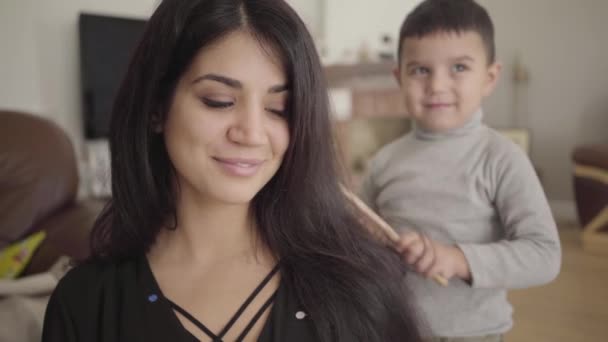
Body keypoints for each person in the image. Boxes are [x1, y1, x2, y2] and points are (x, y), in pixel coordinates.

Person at [41, 0, 424, 341]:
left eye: (279, 109)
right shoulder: (87, 304)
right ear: (157, 106)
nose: (252, 134)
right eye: (219, 101)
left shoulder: (359, 290)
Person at [359, 0, 561, 341]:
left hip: (473, 333)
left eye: (459, 68)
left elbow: (544, 255)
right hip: (395, 328)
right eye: (420, 70)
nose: (437, 85)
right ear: (400, 77)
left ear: (490, 77)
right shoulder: (384, 162)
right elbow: (360, 240)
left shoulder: (502, 159)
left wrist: (456, 259)